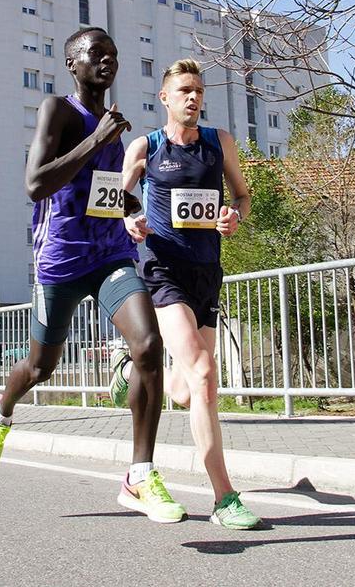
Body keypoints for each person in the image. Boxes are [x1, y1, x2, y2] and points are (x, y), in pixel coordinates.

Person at [0, 27, 186, 524]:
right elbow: (35, 184)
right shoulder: (60, 111)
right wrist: (97, 139)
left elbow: (100, 191)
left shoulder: (115, 125)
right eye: (96, 54)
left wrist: (130, 206)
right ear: (73, 63)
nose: (107, 60)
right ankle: (1, 410)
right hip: (60, 261)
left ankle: (139, 475)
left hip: (110, 255)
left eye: (113, 54)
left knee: (149, 345)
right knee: (40, 368)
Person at [110, 58, 262, 530]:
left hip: (206, 273)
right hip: (163, 269)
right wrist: (129, 219)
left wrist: (235, 215)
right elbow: (112, 197)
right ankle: (224, 496)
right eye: (184, 91)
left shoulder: (220, 143)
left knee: (185, 388)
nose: (193, 98)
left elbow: (242, 195)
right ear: (165, 98)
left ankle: (133, 374)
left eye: (198, 90)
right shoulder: (147, 146)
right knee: (204, 373)